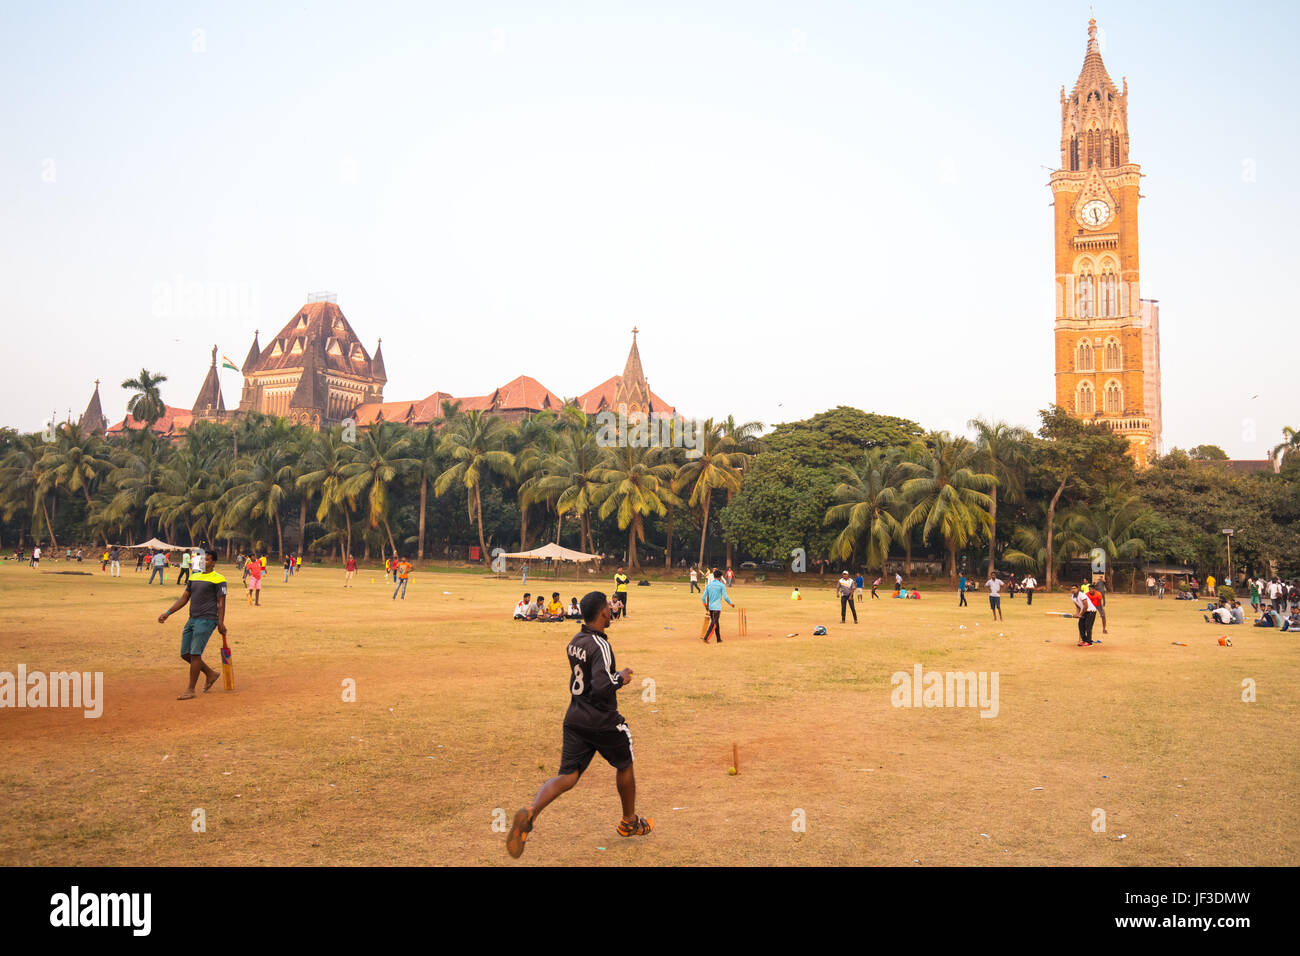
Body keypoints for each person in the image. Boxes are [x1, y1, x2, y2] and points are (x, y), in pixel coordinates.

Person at [505, 591, 651, 859]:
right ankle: (629, 821)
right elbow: (602, 686)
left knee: (568, 776)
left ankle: (530, 813)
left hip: (575, 719)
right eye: (608, 606)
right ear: (603, 613)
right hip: (602, 720)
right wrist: (621, 678)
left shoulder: (575, 641)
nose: (611, 609)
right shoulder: (601, 645)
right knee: (625, 763)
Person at [156, 549, 227, 700]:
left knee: (195, 654)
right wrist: (167, 613)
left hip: (207, 620)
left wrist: (220, 623)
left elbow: (221, 603)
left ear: (213, 562)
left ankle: (190, 689)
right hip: (192, 619)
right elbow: (184, 598)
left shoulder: (219, 579)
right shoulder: (194, 576)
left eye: (207, 560)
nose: (203, 562)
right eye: (202, 560)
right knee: (185, 653)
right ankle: (210, 674)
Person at [701, 568, 734, 643]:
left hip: (710, 608)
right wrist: (731, 604)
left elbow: (703, 597)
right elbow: (725, 597)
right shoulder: (721, 585)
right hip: (717, 608)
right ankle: (706, 638)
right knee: (714, 623)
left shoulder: (709, 585)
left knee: (716, 622)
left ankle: (718, 639)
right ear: (719, 577)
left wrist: (706, 606)